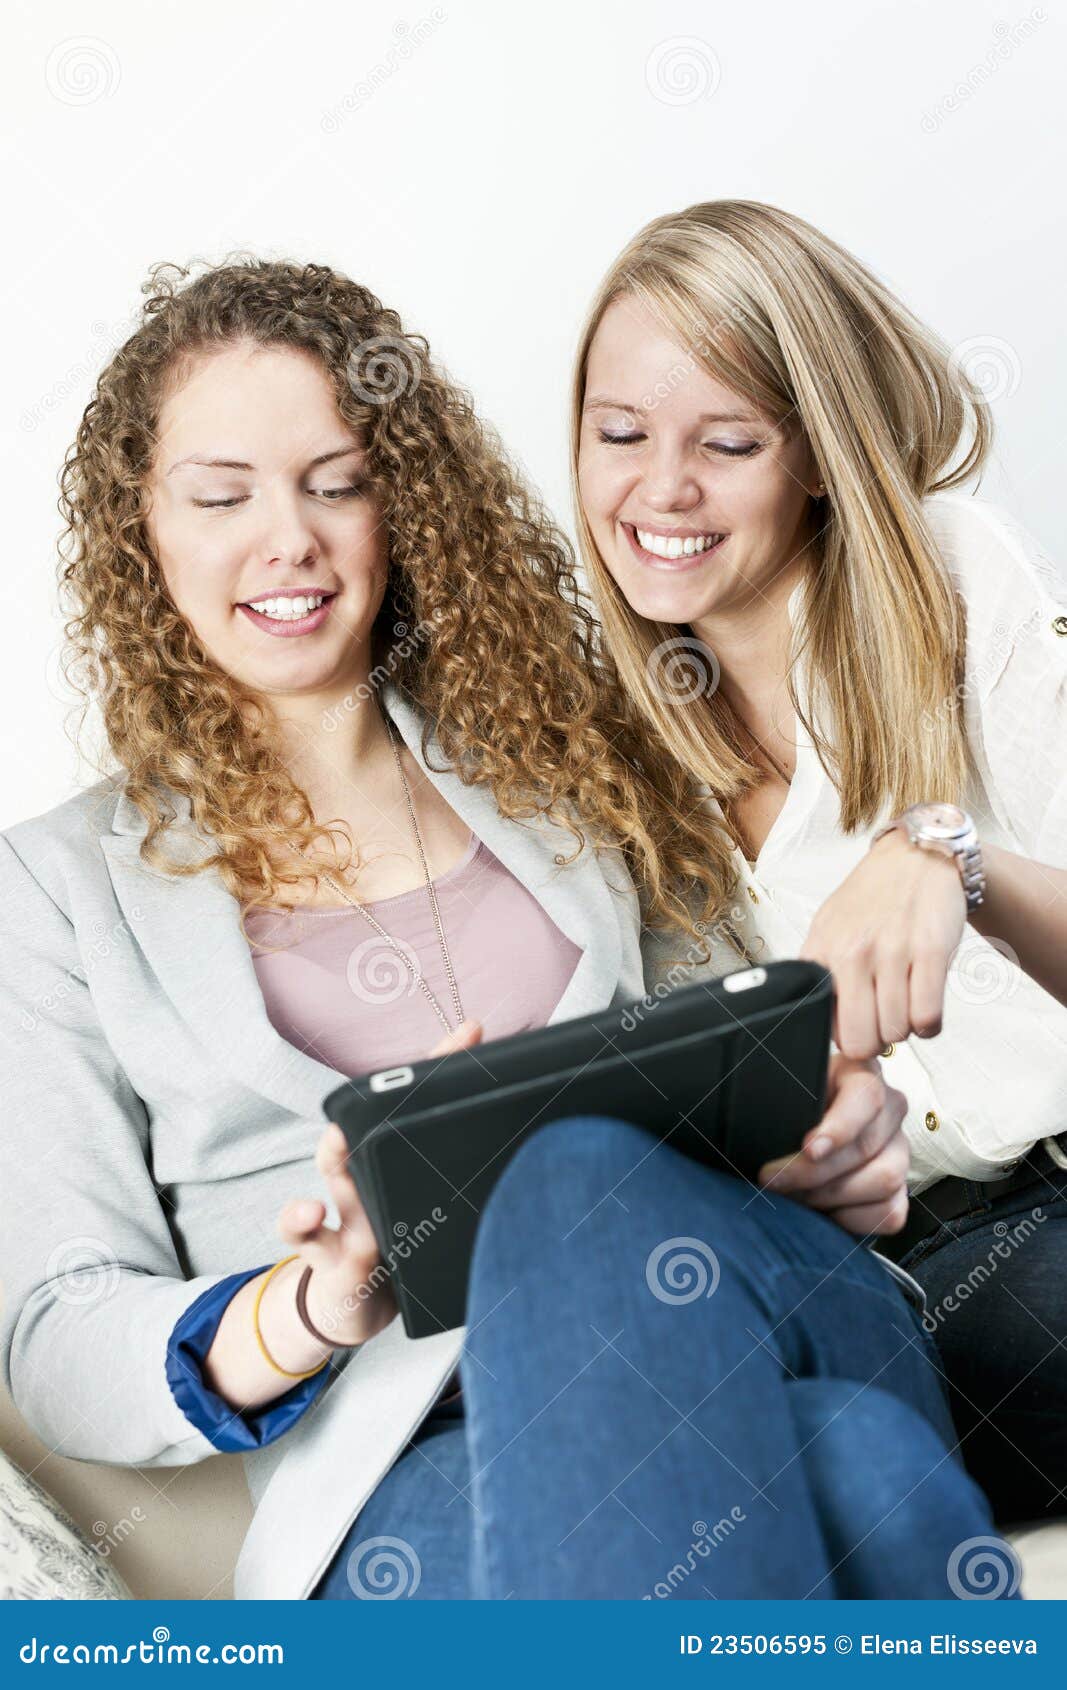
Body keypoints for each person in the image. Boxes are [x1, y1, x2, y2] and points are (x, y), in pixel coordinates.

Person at [0, 255, 1007, 1603]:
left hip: (752, 1306)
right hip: (401, 1457)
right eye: (222, 494)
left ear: (399, 505)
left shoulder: (573, 756)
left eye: (336, 482)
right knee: (859, 1472)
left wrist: (832, 1136)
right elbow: (57, 1328)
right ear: (144, 530)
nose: (287, 537)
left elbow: (756, 1049)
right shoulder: (55, 888)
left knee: (574, 1181)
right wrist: (304, 1307)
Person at [571, 197, 1067, 1525]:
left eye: (726, 442)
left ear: (815, 453)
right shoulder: (608, 747)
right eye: (619, 435)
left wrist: (952, 859)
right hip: (897, 1281)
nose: (659, 490)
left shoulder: (955, 575)